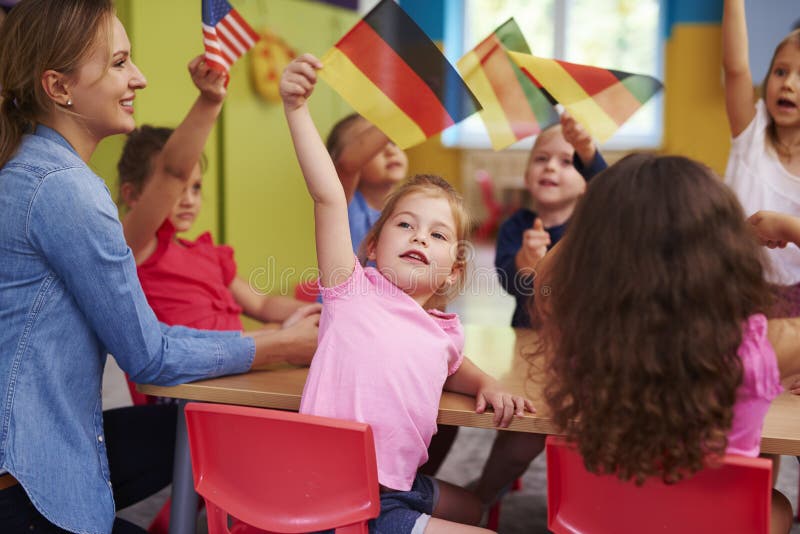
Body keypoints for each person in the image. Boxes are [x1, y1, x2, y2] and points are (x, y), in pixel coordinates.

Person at [0, 1, 308, 532]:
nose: (138, 78)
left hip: (36, 446)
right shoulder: (65, 190)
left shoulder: (28, 168)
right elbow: (149, 357)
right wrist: (284, 344)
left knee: (188, 433)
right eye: (119, 63)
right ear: (58, 87)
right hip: (27, 483)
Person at [281, 53, 534, 534]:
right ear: (372, 245)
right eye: (405, 225)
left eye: (438, 235)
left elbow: (453, 364)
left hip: (397, 483)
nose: (420, 237)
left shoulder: (443, 331)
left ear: (453, 270)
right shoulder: (349, 289)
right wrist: (296, 108)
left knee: (473, 508)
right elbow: (329, 194)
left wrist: (488, 385)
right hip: (340, 495)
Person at [535, 153, 798, 534]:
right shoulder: (761, 349)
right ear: (725, 251)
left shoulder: (582, 338)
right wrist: (789, 227)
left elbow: (545, 280)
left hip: (611, 522)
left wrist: (601, 220)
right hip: (715, 525)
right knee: (776, 506)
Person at [116, 67, 319, 354]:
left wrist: (320, 312)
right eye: (177, 190)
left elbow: (261, 304)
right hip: (180, 393)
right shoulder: (134, 248)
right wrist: (210, 100)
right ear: (132, 195)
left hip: (236, 374)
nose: (188, 199)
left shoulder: (207, 255)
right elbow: (173, 171)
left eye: (196, 187)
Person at [469, 115, 607, 509]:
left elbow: (613, 192)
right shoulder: (516, 225)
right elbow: (511, 286)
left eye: (568, 162)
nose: (551, 167)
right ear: (528, 174)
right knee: (516, 435)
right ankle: (483, 492)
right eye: (542, 159)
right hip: (526, 349)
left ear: (586, 181)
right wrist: (528, 266)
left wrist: (590, 151)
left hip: (584, 355)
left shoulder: (595, 226)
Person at [722, 0, 800, 316]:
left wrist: (784, 226)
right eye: (780, 71)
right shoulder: (751, 132)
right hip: (733, 289)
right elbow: (735, 67)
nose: (789, 84)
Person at [325, 112, 408, 257]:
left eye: (392, 142)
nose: (390, 150)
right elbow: (347, 164)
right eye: (374, 148)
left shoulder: (412, 204)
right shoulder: (344, 204)